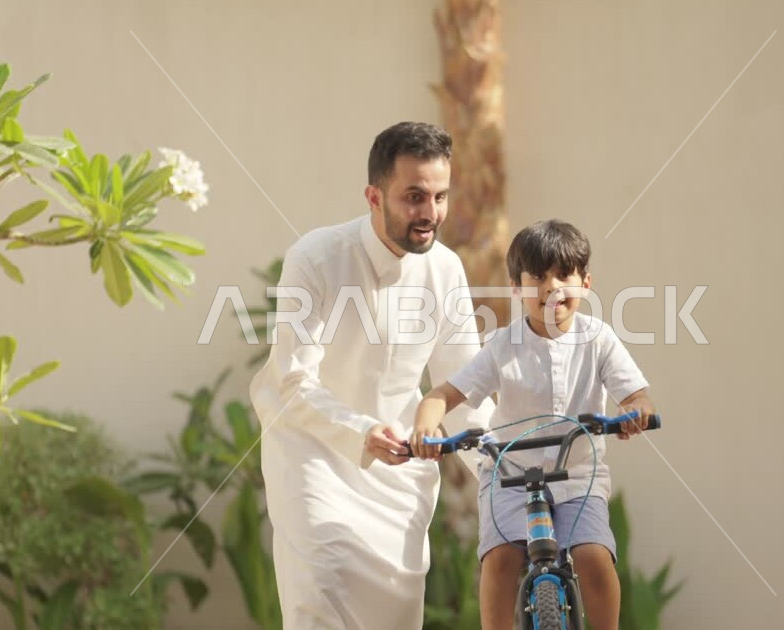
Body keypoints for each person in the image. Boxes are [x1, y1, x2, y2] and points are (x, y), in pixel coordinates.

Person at [249, 121, 492, 629]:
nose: (430, 213)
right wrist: (361, 432)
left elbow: (463, 388)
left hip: (399, 474)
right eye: (414, 196)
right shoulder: (315, 258)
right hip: (313, 458)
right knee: (322, 588)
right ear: (374, 196)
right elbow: (292, 379)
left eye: (440, 197)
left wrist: (502, 470)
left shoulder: (446, 270)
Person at [410, 219, 657, 630]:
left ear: (586, 283)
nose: (551, 287)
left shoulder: (599, 339)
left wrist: (636, 412)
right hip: (510, 474)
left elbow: (635, 396)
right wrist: (425, 426)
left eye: (564, 275)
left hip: (578, 473)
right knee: (502, 558)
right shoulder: (502, 346)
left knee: (594, 557)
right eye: (537, 277)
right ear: (515, 287)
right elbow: (441, 396)